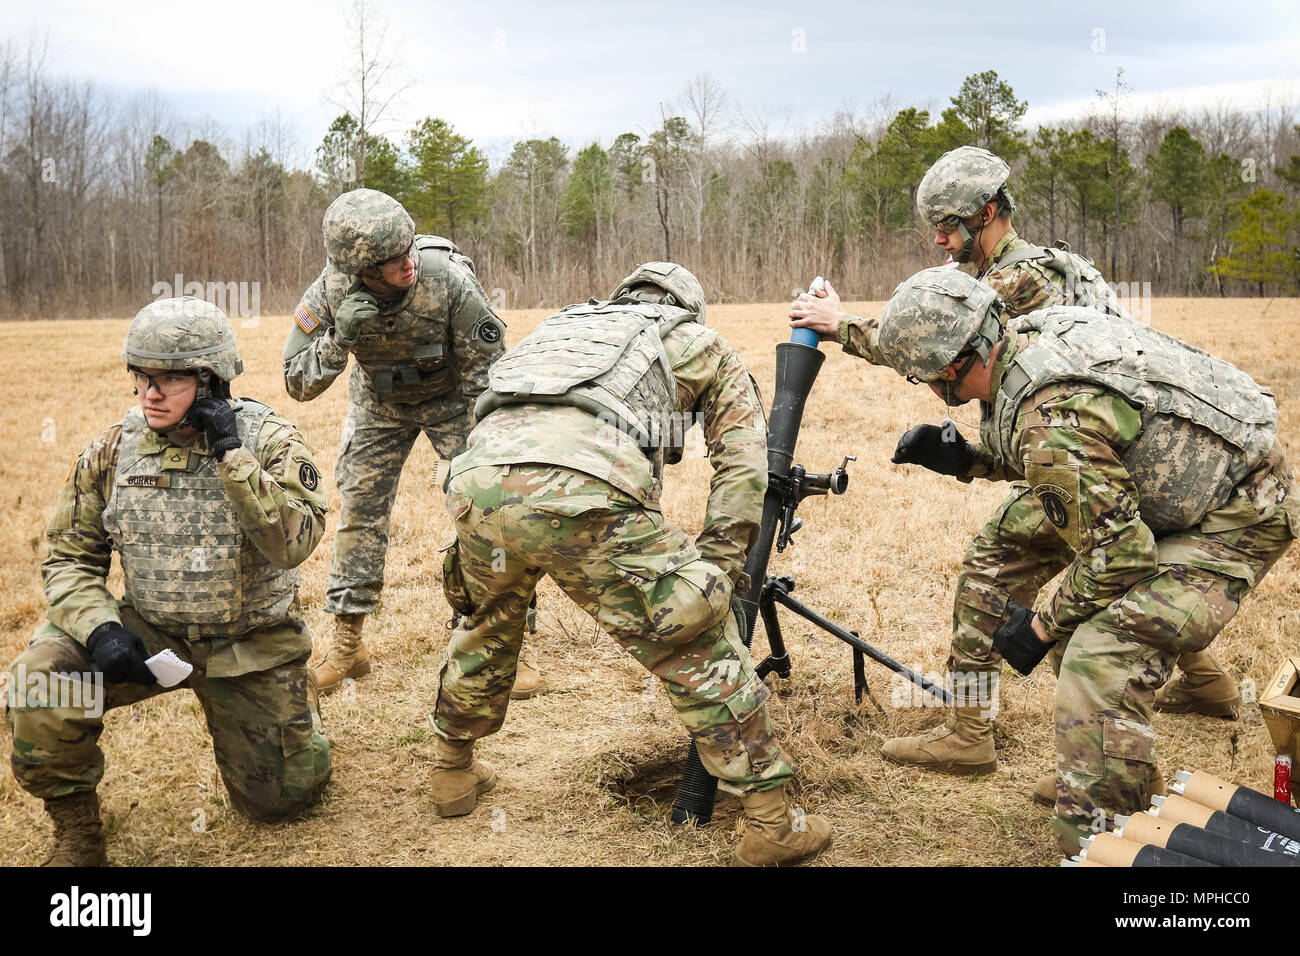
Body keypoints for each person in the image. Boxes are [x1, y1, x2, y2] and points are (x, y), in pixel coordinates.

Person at [789, 146, 1239, 794]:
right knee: (1114, 560)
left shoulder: (1015, 282)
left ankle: (976, 735)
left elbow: (929, 340)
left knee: (998, 566)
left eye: (947, 225)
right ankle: (1207, 683)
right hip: (1120, 456)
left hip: (1083, 457)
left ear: (989, 213)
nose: (938, 239)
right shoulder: (1061, 267)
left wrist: (838, 327)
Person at [869, 267, 1297, 854]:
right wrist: (968, 457)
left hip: (1239, 513)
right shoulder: (1033, 336)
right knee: (1076, 625)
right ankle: (1133, 792)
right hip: (1190, 489)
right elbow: (1079, 449)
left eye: (922, 377)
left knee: (1097, 657)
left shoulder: (1047, 413)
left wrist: (1040, 625)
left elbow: (1120, 553)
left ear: (946, 371)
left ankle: (1103, 850)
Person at [428, 261, 832, 866]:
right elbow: (746, 467)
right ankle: (771, 823)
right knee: (694, 641)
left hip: (477, 480)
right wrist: (716, 573)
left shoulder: (565, 327)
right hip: (582, 483)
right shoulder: (695, 341)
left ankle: (451, 772)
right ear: (687, 309)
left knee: (487, 620)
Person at [7, 297, 331, 865]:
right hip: (152, 633)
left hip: (250, 643)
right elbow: (68, 560)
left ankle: (297, 718)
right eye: (142, 377)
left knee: (281, 802)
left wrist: (232, 456)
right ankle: (78, 833)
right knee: (39, 682)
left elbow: (295, 545)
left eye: (170, 379)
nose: (149, 393)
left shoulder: (267, 441)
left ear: (209, 383)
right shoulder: (113, 449)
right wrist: (103, 629)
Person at [281, 188, 537, 697]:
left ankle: (506, 646)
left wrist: (478, 456)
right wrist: (339, 340)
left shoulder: (448, 281)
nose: (409, 263)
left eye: (409, 248)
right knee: (359, 512)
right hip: (378, 403)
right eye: (393, 260)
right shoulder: (330, 293)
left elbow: (489, 376)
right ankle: (348, 647)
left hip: (453, 398)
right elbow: (296, 382)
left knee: (490, 508)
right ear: (361, 272)